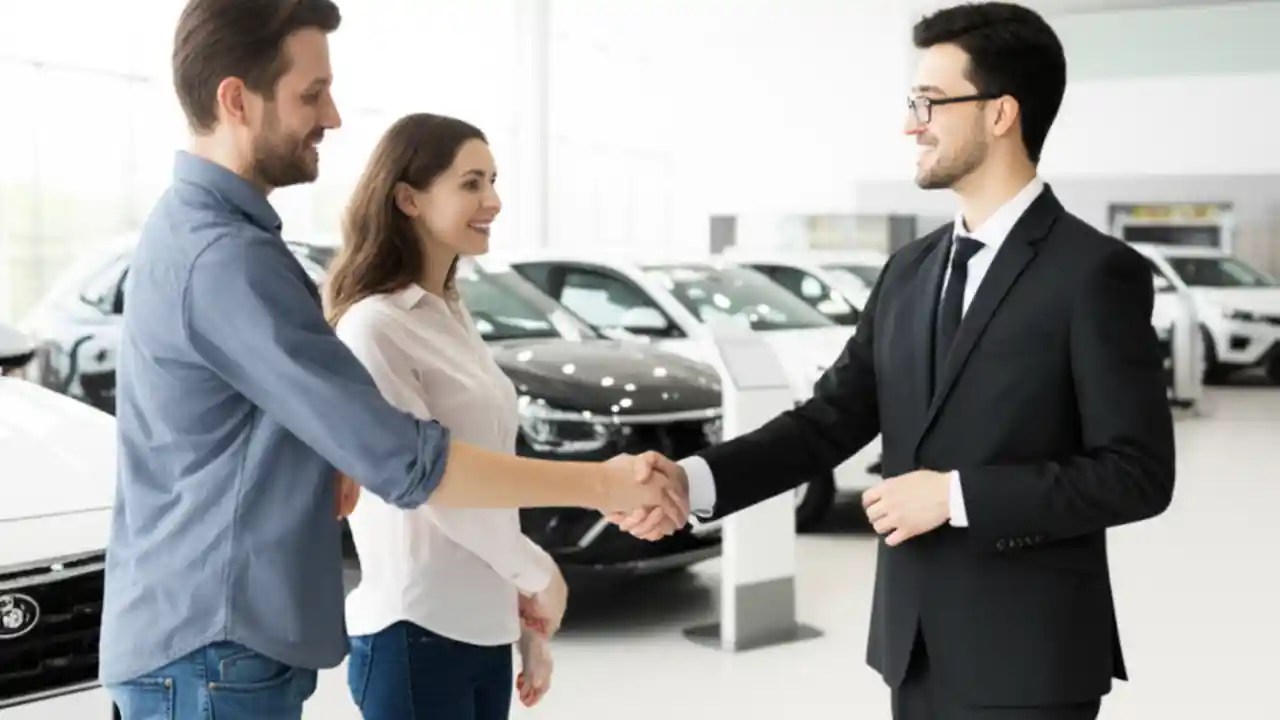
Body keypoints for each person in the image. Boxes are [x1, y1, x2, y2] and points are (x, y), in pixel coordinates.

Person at [101, 2, 684, 719]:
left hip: (218, 641)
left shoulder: (209, 236)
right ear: (235, 99)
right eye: (311, 93)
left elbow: (283, 426)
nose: (335, 116)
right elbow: (409, 462)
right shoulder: (227, 259)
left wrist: (330, 459)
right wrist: (602, 483)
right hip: (214, 645)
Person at [615, 3, 1175, 719]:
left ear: (1002, 112)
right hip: (913, 647)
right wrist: (692, 481)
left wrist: (956, 496)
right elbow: (830, 420)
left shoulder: (1094, 272)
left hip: (1031, 659)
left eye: (929, 102)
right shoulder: (908, 271)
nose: (911, 123)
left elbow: (1137, 473)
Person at [325, 113, 558, 718]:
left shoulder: (449, 312)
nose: (494, 200)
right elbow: (436, 488)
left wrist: (522, 622)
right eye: (471, 183)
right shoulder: (375, 327)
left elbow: (491, 483)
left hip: (483, 630)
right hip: (414, 633)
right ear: (408, 198)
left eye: (494, 180)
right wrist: (539, 572)